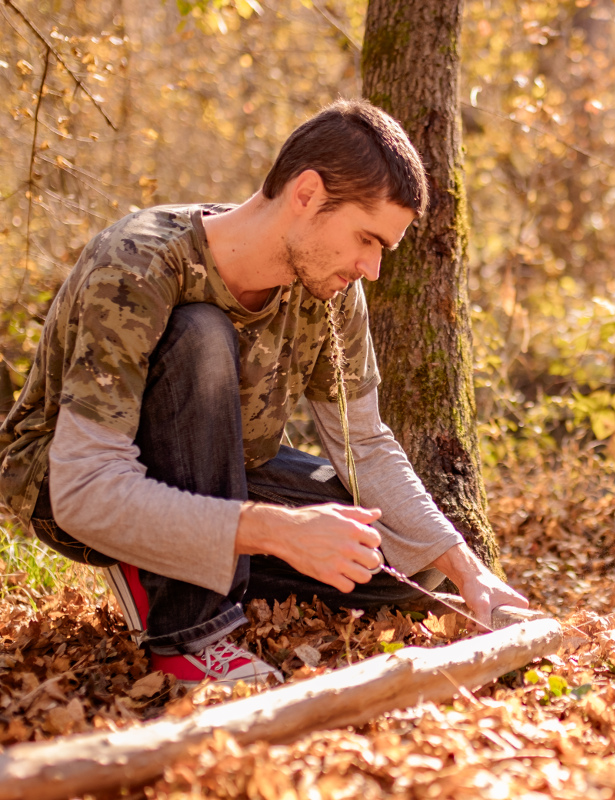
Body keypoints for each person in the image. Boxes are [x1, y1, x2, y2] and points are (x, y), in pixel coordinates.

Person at [0, 99, 527, 686]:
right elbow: (82, 491)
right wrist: (277, 530)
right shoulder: (138, 264)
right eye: (367, 239)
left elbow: (366, 443)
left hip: (227, 470)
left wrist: (466, 568)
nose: (372, 268)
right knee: (200, 332)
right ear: (306, 194)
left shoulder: (329, 289)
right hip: (70, 483)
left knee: (392, 555)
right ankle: (190, 636)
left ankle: (164, 554)